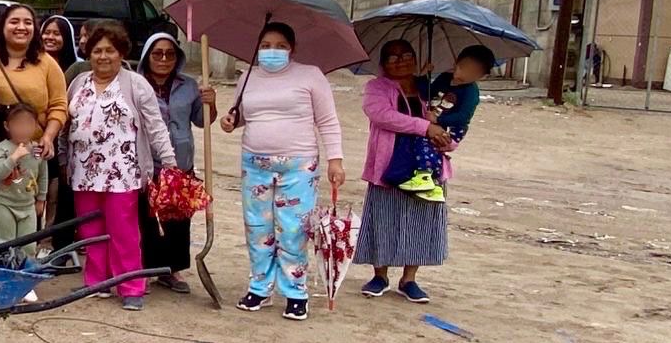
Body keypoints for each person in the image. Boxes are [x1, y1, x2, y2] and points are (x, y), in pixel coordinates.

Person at [218, 22, 344, 321]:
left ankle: (295, 291)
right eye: (265, 45)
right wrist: (229, 121)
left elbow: (327, 120)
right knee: (257, 228)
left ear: (292, 49)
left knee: (293, 229)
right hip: (255, 164)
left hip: (298, 165)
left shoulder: (310, 75)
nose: (271, 51)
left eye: (279, 46)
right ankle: (260, 287)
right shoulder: (248, 77)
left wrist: (335, 159)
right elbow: (242, 116)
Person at [66, 21, 177, 311]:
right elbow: (67, 123)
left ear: (121, 53)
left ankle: (130, 286)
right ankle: (96, 281)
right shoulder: (79, 83)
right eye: (97, 51)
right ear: (89, 54)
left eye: (110, 51)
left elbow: (155, 126)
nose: (103, 56)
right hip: (84, 171)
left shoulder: (135, 83)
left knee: (124, 230)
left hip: (123, 172)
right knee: (90, 230)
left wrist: (169, 161)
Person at [354, 39, 453, 303]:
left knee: (420, 221)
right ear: (383, 64)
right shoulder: (377, 87)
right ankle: (380, 275)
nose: (401, 61)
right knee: (384, 217)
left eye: (407, 55)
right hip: (390, 163)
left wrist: (444, 134)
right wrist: (424, 127)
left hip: (427, 166)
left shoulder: (430, 88)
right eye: (393, 57)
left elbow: (451, 120)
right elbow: (381, 115)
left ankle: (409, 279)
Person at [136, 32, 217, 293]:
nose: (163, 59)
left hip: (181, 162)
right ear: (147, 56)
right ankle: (147, 268)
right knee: (148, 218)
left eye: (170, 54)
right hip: (149, 162)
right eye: (157, 53)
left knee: (179, 217)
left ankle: (173, 270)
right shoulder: (136, 85)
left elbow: (202, 121)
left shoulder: (189, 86)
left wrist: (210, 104)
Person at [0, 3, 67, 236]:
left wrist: (48, 137)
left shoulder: (47, 63)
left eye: (28, 22)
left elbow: (59, 106)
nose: (21, 27)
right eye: (14, 21)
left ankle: (23, 267)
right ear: (2, 26)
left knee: (26, 217)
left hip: (31, 149)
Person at [383, 43, 492, 202]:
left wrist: (438, 120)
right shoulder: (444, 78)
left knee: (424, 143)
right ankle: (432, 185)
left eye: (472, 73)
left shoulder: (471, 93)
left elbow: (463, 118)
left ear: (481, 77)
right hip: (434, 123)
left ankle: (426, 177)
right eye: (463, 68)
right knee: (421, 143)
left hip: (452, 128)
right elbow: (428, 93)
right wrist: (424, 76)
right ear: (456, 63)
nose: (463, 74)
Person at [38, 14, 80, 238]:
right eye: (46, 32)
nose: (50, 37)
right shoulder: (32, 62)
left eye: (56, 33)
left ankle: (50, 233)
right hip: (35, 132)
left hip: (61, 136)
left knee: (56, 188)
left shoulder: (75, 69)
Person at [0, 105, 47, 251]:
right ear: (7, 126)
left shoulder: (36, 149)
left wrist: (41, 199)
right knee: (5, 245)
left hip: (28, 205)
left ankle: (24, 273)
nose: (23, 128)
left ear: (35, 125)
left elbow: (42, 174)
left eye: (28, 123)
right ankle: (6, 272)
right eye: (18, 123)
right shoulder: (3, 148)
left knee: (29, 247)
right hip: (4, 204)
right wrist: (14, 157)